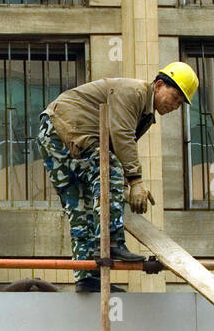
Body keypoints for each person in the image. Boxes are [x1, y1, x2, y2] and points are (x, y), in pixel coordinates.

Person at [37, 63, 198, 293]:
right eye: (174, 98)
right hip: (66, 127)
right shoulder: (134, 93)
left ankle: (87, 277)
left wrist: (125, 186)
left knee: (80, 205)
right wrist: (135, 181)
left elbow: (114, 146)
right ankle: (111, 242)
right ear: (160, 84)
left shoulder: (145, 112)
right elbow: (121, 136)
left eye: (180, 103)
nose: (175, 106)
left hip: (53, 133)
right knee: (109, 171)